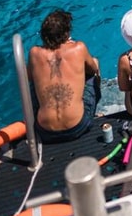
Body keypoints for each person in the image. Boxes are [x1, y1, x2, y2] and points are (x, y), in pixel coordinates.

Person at [28, 10, 102, 143]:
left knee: (34, 81)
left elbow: (29, 77)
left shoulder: (34, 53)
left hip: (44, 131)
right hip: (78, 126)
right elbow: (93, 69)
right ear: (67, 33)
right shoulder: (78, 48)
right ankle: (93, 110)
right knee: (94, 65)